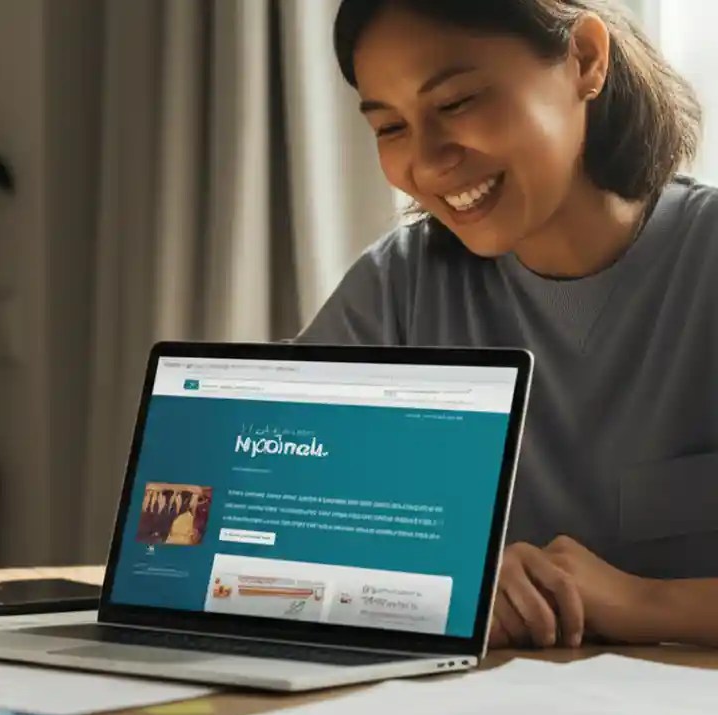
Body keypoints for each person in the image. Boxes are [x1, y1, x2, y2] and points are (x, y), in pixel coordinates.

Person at [302, 0, 718, 650]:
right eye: (390, 128)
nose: (428, 162)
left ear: (585, 59)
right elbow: (263, 533)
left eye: (459, 102)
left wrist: (640, 601)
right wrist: (438, 584)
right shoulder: (396, 290)